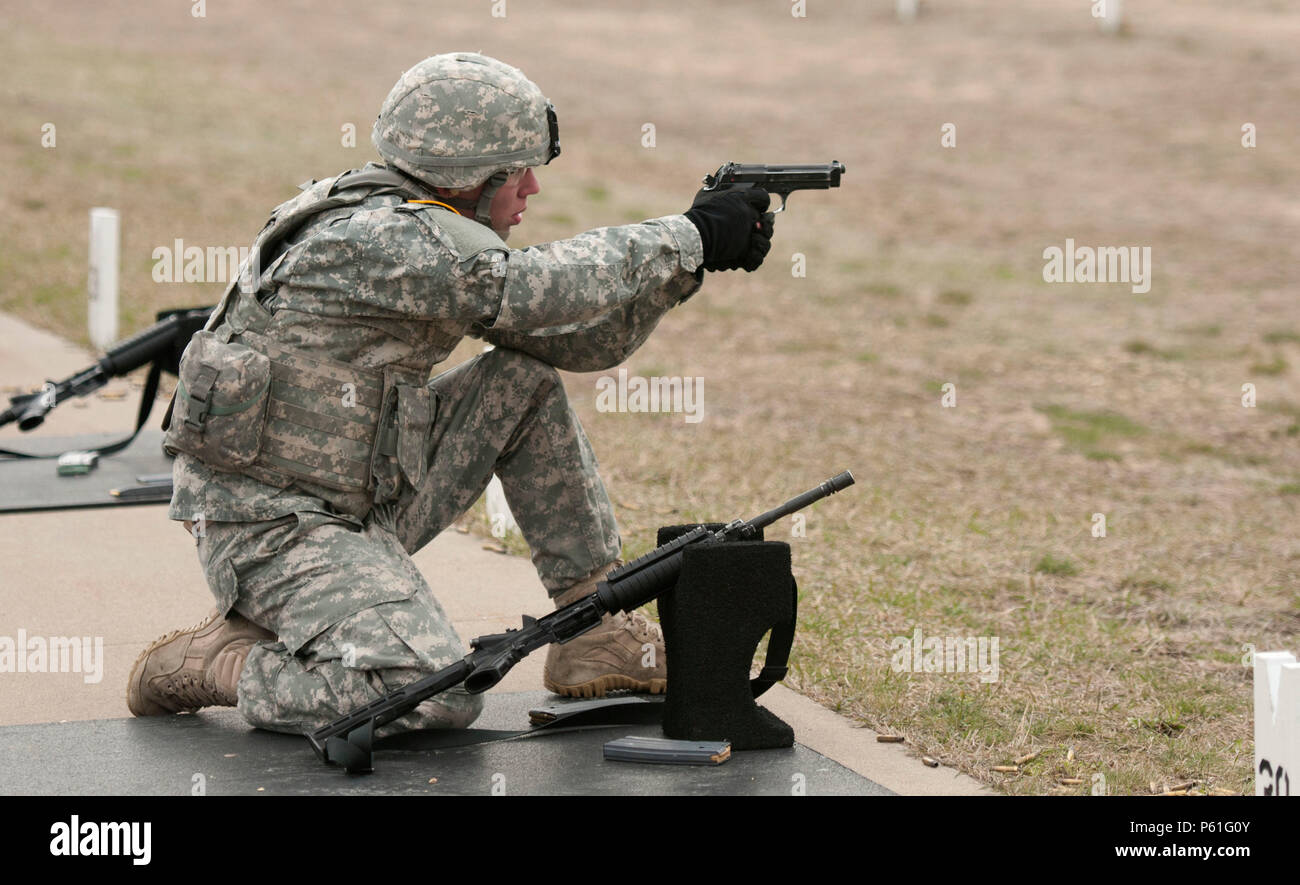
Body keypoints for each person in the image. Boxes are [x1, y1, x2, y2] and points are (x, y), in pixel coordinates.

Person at [127, 52, 774, 735]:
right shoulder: (383, 239)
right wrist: (690, 234)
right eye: (514, 171)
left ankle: (591, 630)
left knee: (518, 382)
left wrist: (690, 266)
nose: (530, 188)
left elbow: (578, 341)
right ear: (468, 176)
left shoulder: (426, 229)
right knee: (427, 693)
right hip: (270, 526)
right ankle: (221, 662)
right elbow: (541, 285)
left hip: (357, 495)